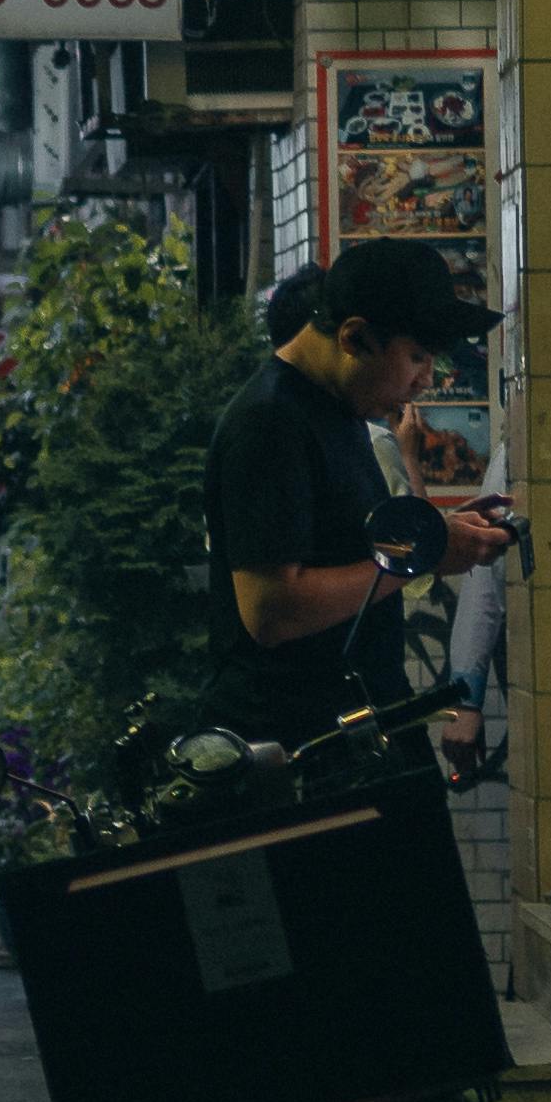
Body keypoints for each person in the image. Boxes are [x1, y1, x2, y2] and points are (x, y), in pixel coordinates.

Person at [200, 241, 517, 751]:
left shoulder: (341, 412)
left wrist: (441, 532)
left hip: (362, 725)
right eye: (416, 356)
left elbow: (350, 553)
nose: (425, 381)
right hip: (299, 750)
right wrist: (426, 551)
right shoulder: (270, 422)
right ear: (355, 337)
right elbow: (271, 610)